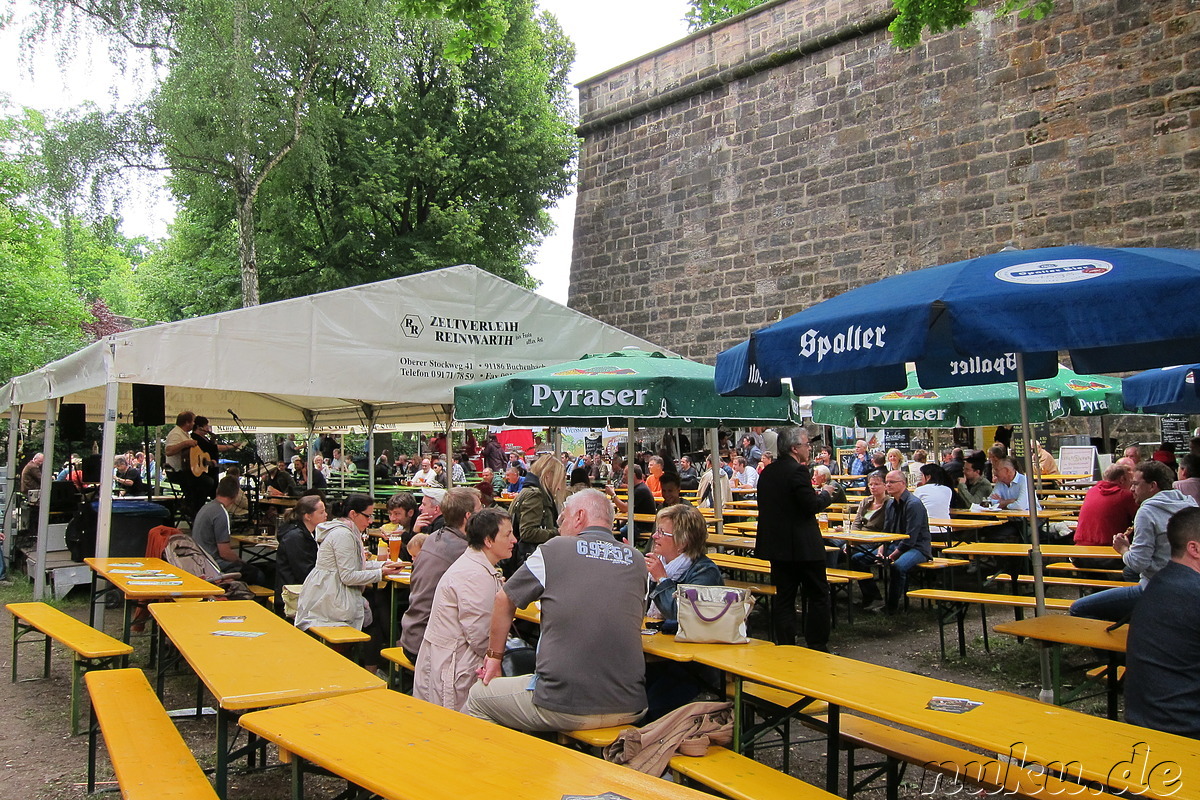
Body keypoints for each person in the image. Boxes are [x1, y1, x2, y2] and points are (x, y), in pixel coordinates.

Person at [466, 489, 647, 732]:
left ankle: (512, 768)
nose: (559, 526)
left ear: (580, 516)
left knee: (478, 697)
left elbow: (503, 599)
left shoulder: (555, 549)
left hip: (564, 702)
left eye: (563, 518)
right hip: (631, 704)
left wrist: (494, 658)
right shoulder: (637, 560)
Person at [414, 508, 516, 712]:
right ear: (488, 541)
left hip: (453, 664)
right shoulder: (474, 574)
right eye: (508, 534)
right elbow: (480, 637)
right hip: (454, 671)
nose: (514, 540)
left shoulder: (476, 566)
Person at [1070, 461, 1197, 622]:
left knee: (1078, 608)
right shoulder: (1190, 504)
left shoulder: (1147, 511)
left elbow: (1138, 563)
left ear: (1153, 486)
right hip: (1190, 587)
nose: (1131, 489)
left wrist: (1123, 548)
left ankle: (1120, 645)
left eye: (1136, 484)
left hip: (1157, 589)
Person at [642, 503, 723, 721]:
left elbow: (680, 613)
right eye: (656, 530)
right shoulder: (658, 564)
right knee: (624, 695)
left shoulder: (704, 572)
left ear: (683, 542)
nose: (654, 536)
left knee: (651, 708)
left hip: (694, 666)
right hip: (659, 656)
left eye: (662, 532)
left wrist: (662, 580)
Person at [1124, 506, 1200, 739]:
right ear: (1194, 549)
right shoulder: (1192, 591)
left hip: (1145, 716)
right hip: (1182, 727)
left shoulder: (1162, 581)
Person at [756, 427, 834, 650]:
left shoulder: (767, 473)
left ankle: (786, 644)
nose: (809, 448)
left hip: (777, 546)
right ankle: (817, 644)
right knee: (818, 595)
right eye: (806, 444)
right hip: (803, 547)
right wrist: (826, 494)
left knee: (784, 597)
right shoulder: (797, 471)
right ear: (794, 448)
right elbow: (810, 506)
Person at [294, 494, 404, 638]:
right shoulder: (343, 535)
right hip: (330, 600)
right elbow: (348, 576)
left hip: (327, 593)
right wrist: (380, 573)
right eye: (367, 516)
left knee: (377, 606)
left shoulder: (344, 530)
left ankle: (373, 657)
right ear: (353, 514)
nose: (370, 521)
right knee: (377, 610)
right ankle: (375, 656)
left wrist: (383, 564)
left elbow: (353, 566)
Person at [399, 487, 483, 662]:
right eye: (480, 510)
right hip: (428, 646)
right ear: (469, 516)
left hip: (411, 635)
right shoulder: (465, 552)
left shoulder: (434, 537)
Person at [855, 470, 931, 613]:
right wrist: (881, 551)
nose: (888, 485)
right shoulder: (890, 504)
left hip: (917, 548)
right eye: (887, 482)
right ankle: (873, 596)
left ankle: (892, 607)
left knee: (898, 567)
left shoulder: (913, 504)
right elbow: (887, 532)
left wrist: (892, 556)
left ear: (903, 484)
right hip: (894, 545)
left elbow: (911, 538)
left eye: (891, 482)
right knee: (857, 559)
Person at [190, 476, 267, 587]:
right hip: (213, 564)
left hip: (200, 560)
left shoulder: (206, 508)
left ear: (218, 490)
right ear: (236, 495)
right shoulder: (221, 513)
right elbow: (224, 552)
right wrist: (240, 561)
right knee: (257, 574)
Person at [1072, 463, 1136, 570]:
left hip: (1079, 554)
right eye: (1130, 480)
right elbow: (1139, 519)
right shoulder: (1125, 495)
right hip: (1106, 555)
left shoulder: (1091, 491)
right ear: (1122, 479)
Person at [275, 494, 326, 614]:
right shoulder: (296, 537)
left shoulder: (307, 534)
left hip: (300, 594)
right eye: (321, 512)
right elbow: (304, 571)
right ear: (308, 516)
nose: (326, 515)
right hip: (291, 598)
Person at [510, 455, 566, 561]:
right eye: (558, 479)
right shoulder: (535, 495)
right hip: (529, 557)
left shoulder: (530, 491)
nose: (559, 487)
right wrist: (557, 532)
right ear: (548, 475)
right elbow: (528, 532)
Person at [606, 464, 656, 540]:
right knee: (617, 531)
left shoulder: (640, 490)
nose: (623, 477)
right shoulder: (637, 488)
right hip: (636, 522)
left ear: (633, 475)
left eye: (625, 474)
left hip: (643, 526)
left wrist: (613, 495)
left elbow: (625, 508)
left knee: (621, 534)